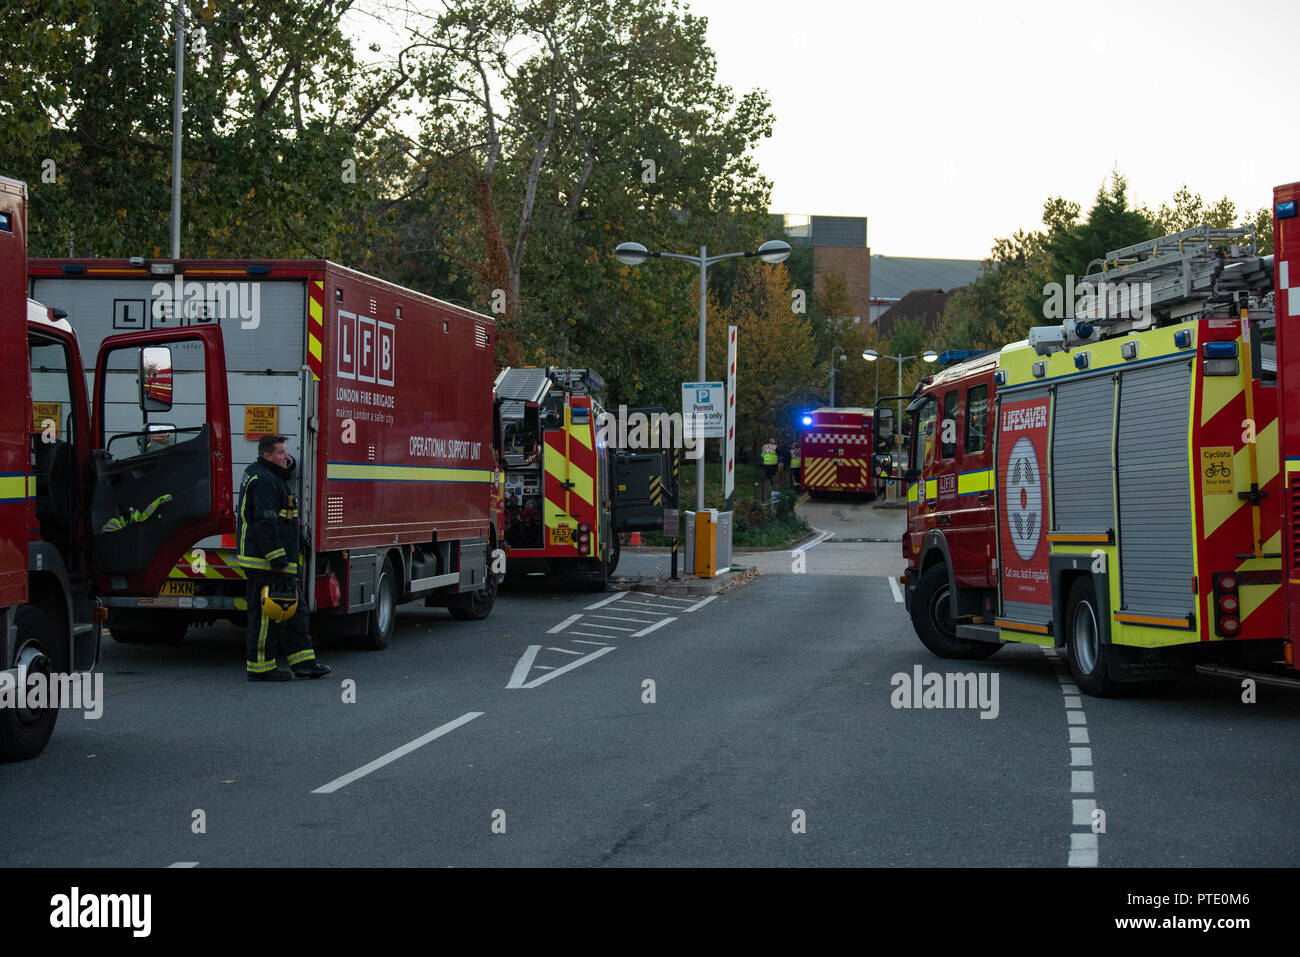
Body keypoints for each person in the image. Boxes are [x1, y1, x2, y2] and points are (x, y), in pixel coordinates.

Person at [238, 434, 330, 681]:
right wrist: (278, 559)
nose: (286, 457)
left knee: (297, 612)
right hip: (267, 563)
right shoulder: (266, 482)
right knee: (266, 616)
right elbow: (266, 523)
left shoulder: (268, 476)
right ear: (267, 455)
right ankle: (261, 668)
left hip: (280, 563)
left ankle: (304, 663)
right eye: (281, 453)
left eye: (285, 452)